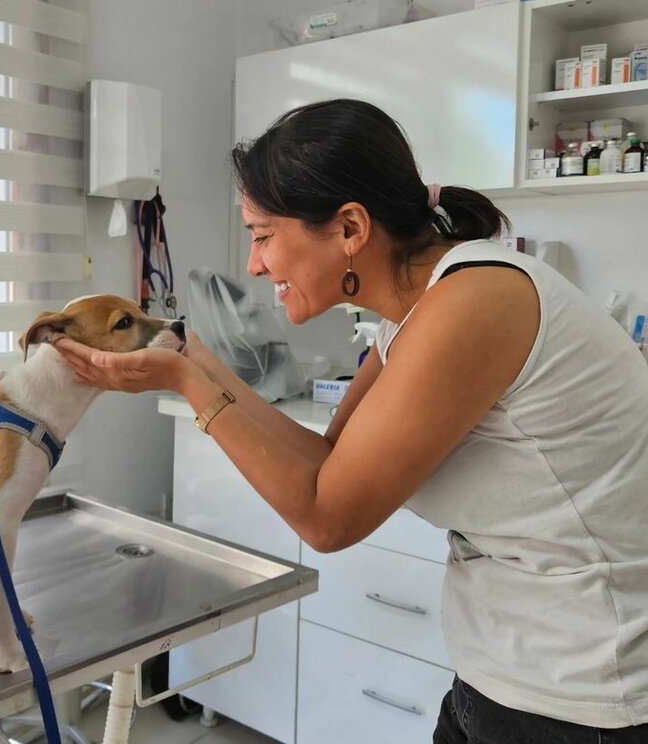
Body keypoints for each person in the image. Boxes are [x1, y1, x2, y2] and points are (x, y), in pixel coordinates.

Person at [55, 99, 648, 742]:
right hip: (498, 670)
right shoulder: (409, 317)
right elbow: (328, 458)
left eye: (261, 236)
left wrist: (187, 383)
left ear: (349, 229)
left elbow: (327, 516)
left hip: (587, 690)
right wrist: (190, 356)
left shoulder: (474, 303)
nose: (255, 265)